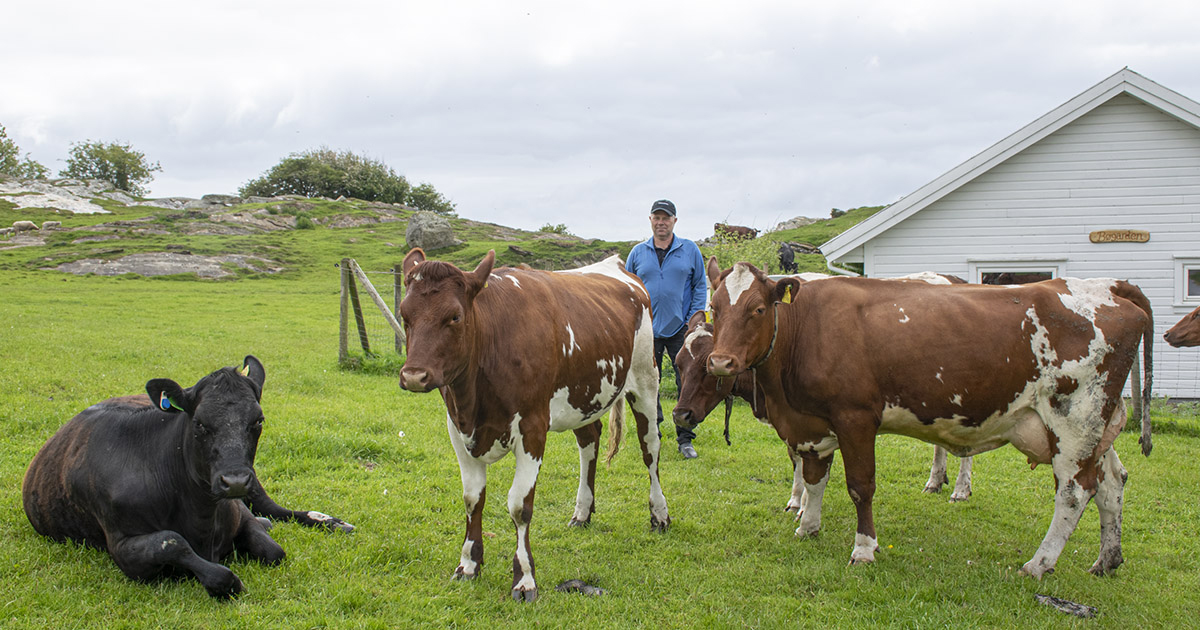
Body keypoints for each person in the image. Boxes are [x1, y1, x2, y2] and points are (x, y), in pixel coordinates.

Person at [626, 199, 708, 459]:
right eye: (656, 217)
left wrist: (693, 319)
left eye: (666, 218)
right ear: (650, 220)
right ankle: (654, 435)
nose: (661, 222)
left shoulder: (690, 249)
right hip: (647, 331)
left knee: (687, 383)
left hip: (680, 331)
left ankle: (685, 438)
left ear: (674, 221)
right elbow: (626, 289)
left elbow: (699, 285)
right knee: (649, 384)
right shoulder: (638, 253)